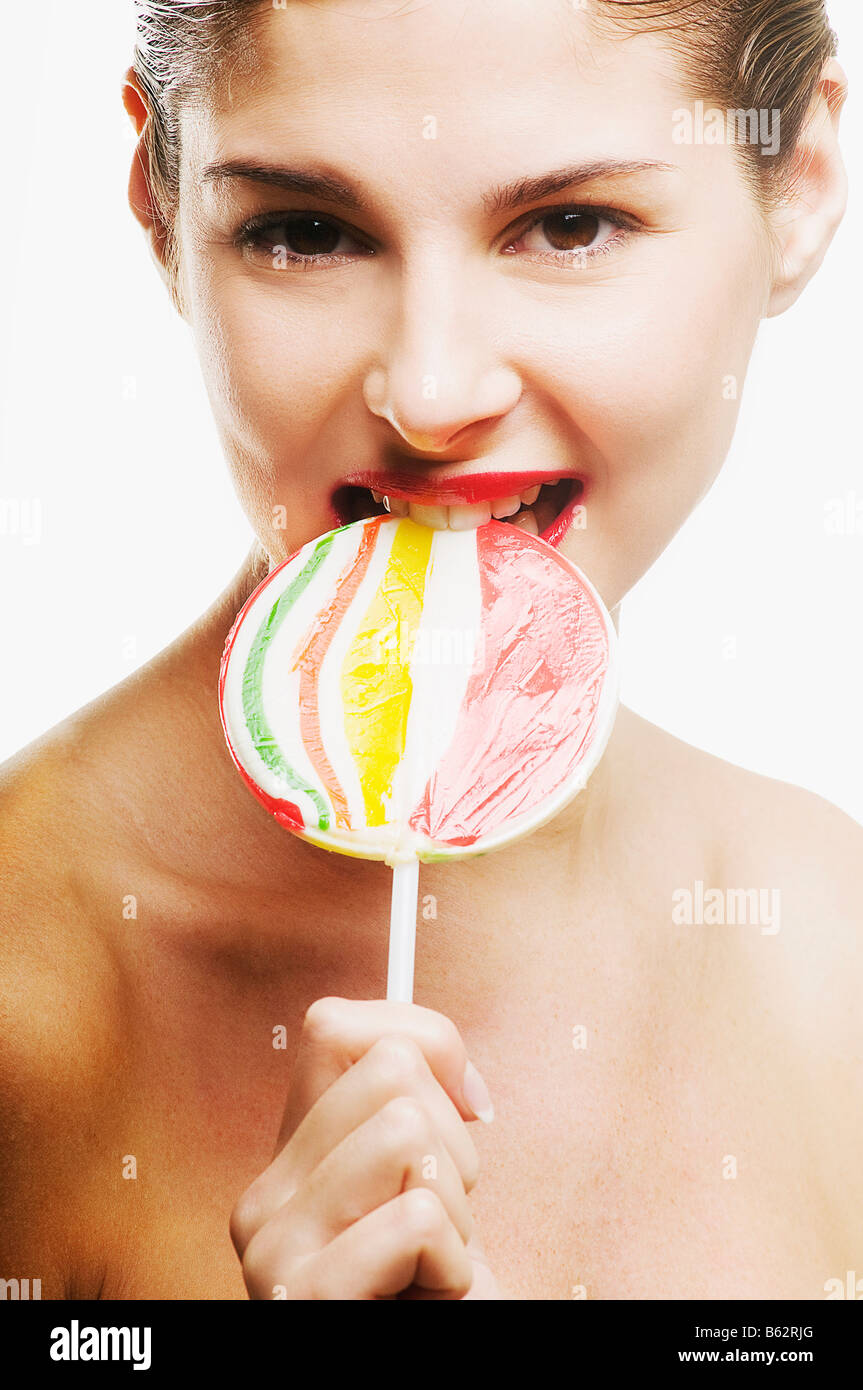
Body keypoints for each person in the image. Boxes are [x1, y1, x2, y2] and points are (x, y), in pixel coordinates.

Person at [0, 0, 859, 1301]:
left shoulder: (834, 937)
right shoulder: (28, 988)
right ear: (161, 206)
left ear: (796, 181)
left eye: (570, 225)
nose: (432, 389)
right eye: (306, 230)